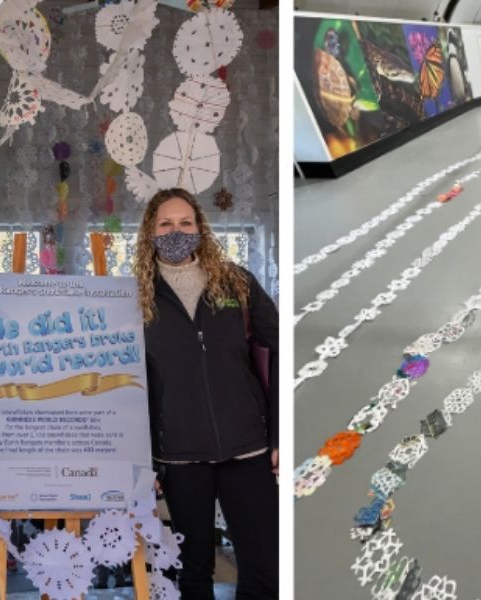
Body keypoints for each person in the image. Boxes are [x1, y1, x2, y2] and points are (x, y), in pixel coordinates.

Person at [135, 188, 278, 599]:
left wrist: (278, 435)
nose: (176, 232)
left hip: (248, 449)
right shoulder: (135, 298)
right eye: (165, 224)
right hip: (179, 458)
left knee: (265, 565)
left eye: (185, 222)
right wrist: (144, 459)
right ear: (150, 232)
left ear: (200, 227)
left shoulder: (236, 282)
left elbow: (279, 350)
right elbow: (131, 384)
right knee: (195, 570)